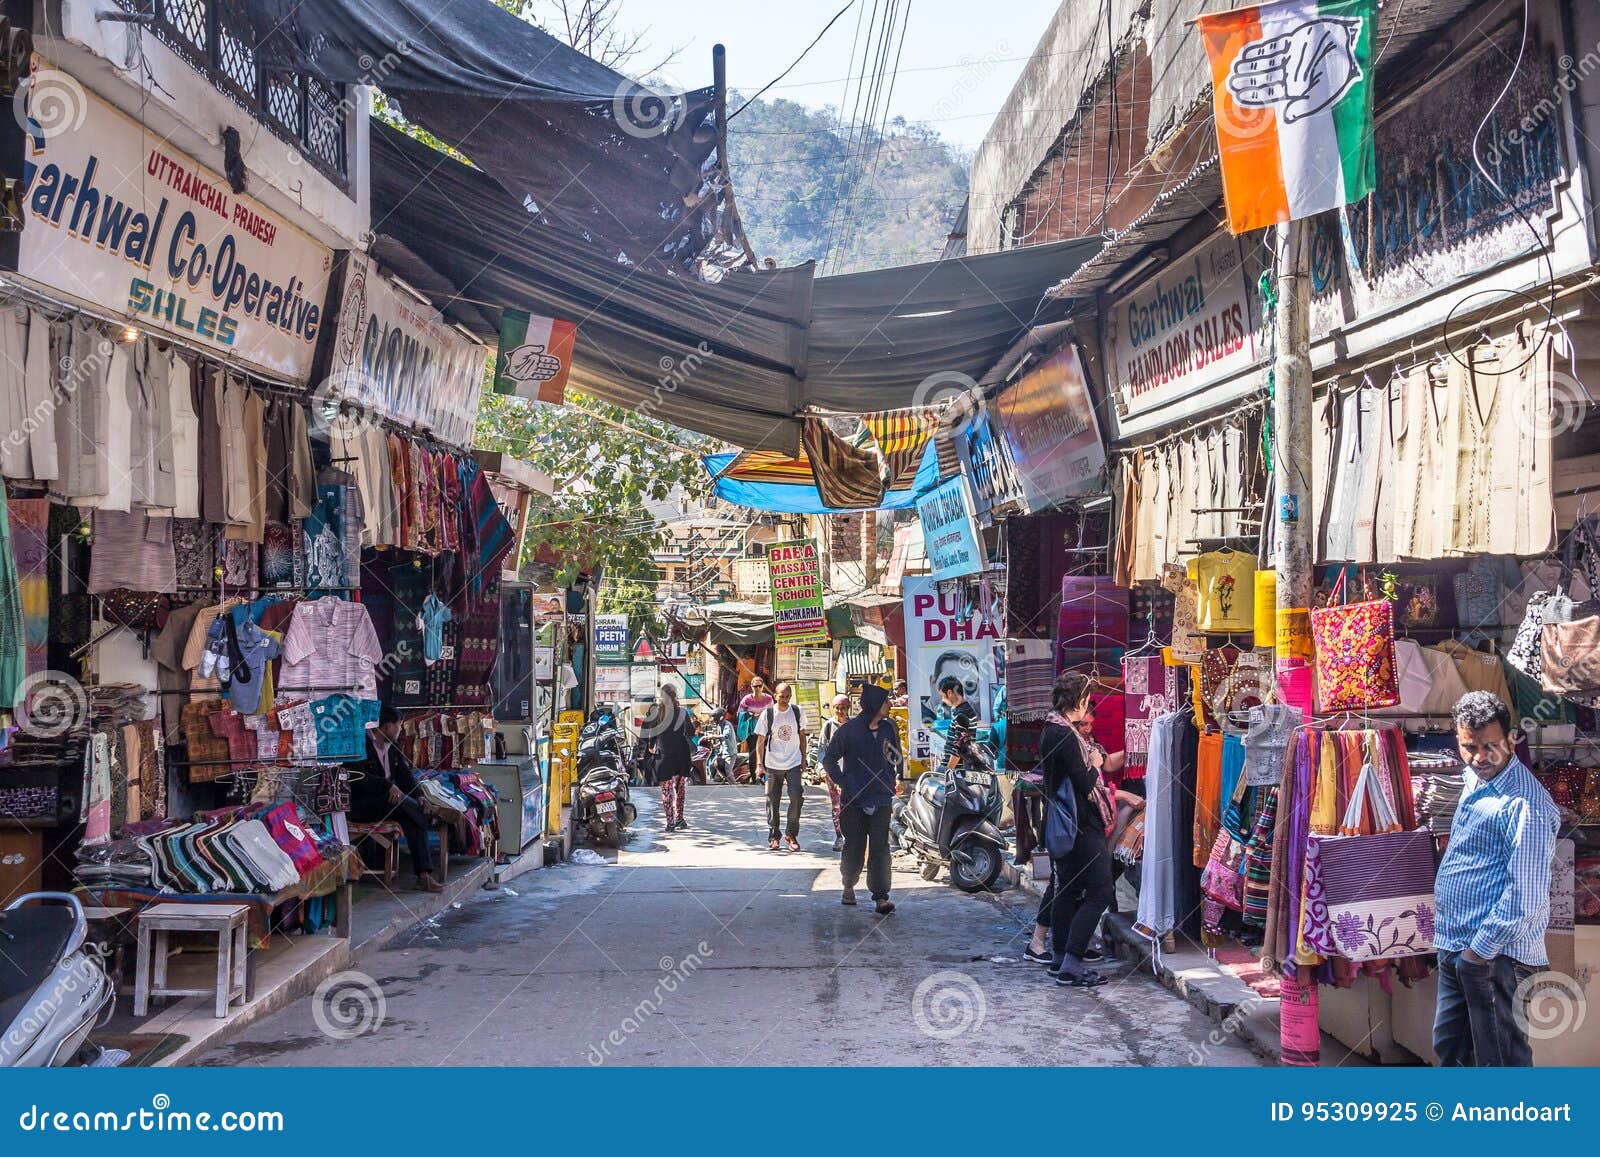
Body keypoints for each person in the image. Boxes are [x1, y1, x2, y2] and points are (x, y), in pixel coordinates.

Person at [1433, 690, 1559, 1066]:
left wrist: (1478, 954)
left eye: (1491, 746)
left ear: (1511, 739)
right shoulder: (1475, 779)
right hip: (1459, 945)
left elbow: (1525, 896)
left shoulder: (1526, 804)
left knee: (1500, 1062)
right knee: (1452, 1053)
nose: (1480, 757)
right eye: (1469, 747)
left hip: (1494, 956)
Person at [1026, 697, 1139, 961]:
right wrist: (1118, 790)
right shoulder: (1068, 742)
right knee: (1067, 887)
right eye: (1083, 724)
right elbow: (1087, 784)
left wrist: (1137, 749)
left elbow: (1107, 764)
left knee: (1073, 888)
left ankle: (1066, 951)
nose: (1088, 728)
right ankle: (1043, 945)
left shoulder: (1082, 741)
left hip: (1081, 825)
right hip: (1070, 826)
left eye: (1090, 724)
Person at [1037, 673, 1115, 987]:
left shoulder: (1050, 729)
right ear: (1079, 701)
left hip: (1061, 822)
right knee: (1100, 891)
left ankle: (1059, 959)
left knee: (1066, 890)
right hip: (1080, 823)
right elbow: (1085, 782)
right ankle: (1071, 964)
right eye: (1086, 699)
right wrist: (1094, 762)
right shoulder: (1067, 735)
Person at [347, 705, 443, 893]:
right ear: (387, 726)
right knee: (408, 808)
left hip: (390, 805)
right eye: (399, 725)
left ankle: (423, 876)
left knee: (412, 820)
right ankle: (428, 817)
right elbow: (356, 777)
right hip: (362, 806)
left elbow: (405, 777)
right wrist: (386, 785)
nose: (400, 730)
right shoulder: (360, 745)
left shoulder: (393, 747)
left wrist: (420, 796)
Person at [823, 682, 900, 914]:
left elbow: (895, 756)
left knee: (880, 847)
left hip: (881, 797)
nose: (889, 705)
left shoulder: (889, 729)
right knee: (854, 846)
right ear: (874, 704)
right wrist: (843, 781)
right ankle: (848, 885)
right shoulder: (848, 731)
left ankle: (881, 896)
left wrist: (895, 777)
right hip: (854, 799)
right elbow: (829, 759)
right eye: (885, 701)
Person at [756, 682, 807, 851]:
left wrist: (804, 757)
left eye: (787, 696)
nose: (784, 699)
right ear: (775, 696)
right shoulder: (768, 714)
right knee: (772, 800)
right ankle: (774, 836)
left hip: (793, 762)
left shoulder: (798, 711)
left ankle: (791, 835)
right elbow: (761, 740)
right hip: (772, 763)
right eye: (781, 696)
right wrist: (759, 764)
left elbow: (802, 736)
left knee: (797, 796)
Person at [647, 684, 696, 833]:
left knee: (666, 790)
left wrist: (651, 746)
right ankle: (679, 818)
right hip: (681, 755)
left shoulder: (657, 713)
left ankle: (670, 822)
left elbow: (652, 735)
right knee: (679, 789)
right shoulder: (682, 712)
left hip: (664, 756)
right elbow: (691, 733)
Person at [817, 694, 852, 852]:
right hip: (833, 772)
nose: (840, 711)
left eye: (843, 708)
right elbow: (821, 749)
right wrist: (822, 768)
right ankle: (840, 836)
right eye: (837, 708)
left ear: (848, 708)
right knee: (837, 805)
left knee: (851, 805)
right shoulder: (828, 726)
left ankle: (852, 837)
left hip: (851, 773)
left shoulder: (854, 726)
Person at [937, 674, 981, 773]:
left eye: (942, 696)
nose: (942, 700)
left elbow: (958, 749)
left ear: (949, 693)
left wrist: (948, 771)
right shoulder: (963, 710)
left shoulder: (961, 714)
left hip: (956, 770)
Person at [737, 677, 774, 780]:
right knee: (753, 754)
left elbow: (772, 714)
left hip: (765, 731)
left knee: (766, 753)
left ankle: (766, 778)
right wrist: (751, 714)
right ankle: (754, 778)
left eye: (759, 686)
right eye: (755, 686)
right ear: (751, 687)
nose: (757, 688)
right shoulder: (747, 699)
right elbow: (740, 713)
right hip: (752, 732)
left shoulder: (769, 699)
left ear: (763, 687)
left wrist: (763, 715)